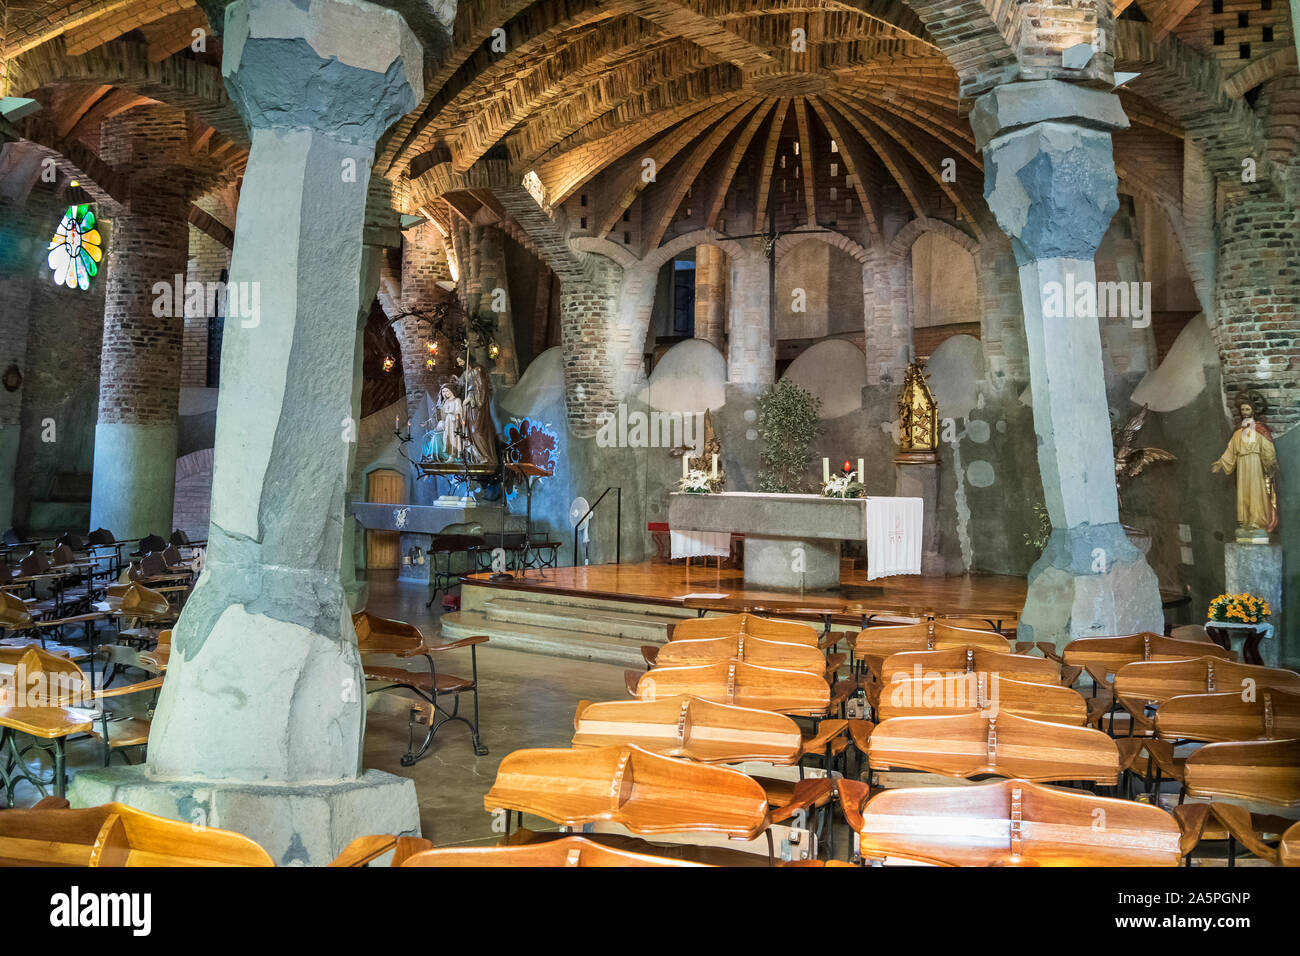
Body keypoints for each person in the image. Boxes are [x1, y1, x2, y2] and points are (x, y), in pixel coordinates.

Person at [1212, 399, 1278, 535]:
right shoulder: (1238, 432)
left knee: (1255, 490)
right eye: (1242, 410)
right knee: (1244, 491)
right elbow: (1231, 450)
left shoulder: (1260, 429)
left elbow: (1267, 447)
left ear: (1252, 410)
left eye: (1247, 409)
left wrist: (1270, 461)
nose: (1245, 412)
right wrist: (1221, 462)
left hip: (1255, 463)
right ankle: (1246, 520)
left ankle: (1257, 520)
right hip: (1242, 465)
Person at [422, 382, 465, 462]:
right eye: (443, 391)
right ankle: (431, 456)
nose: (445, 393)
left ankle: (452, 456)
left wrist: (451, 413)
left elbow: (459, 412)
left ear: (451, 391)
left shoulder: (457, 400)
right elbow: (442, 415)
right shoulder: (446, 401)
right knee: (444, 438)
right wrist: (437, 410)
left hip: (453, 423)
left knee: (451, 439)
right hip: (447, 423)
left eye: (447, 391)